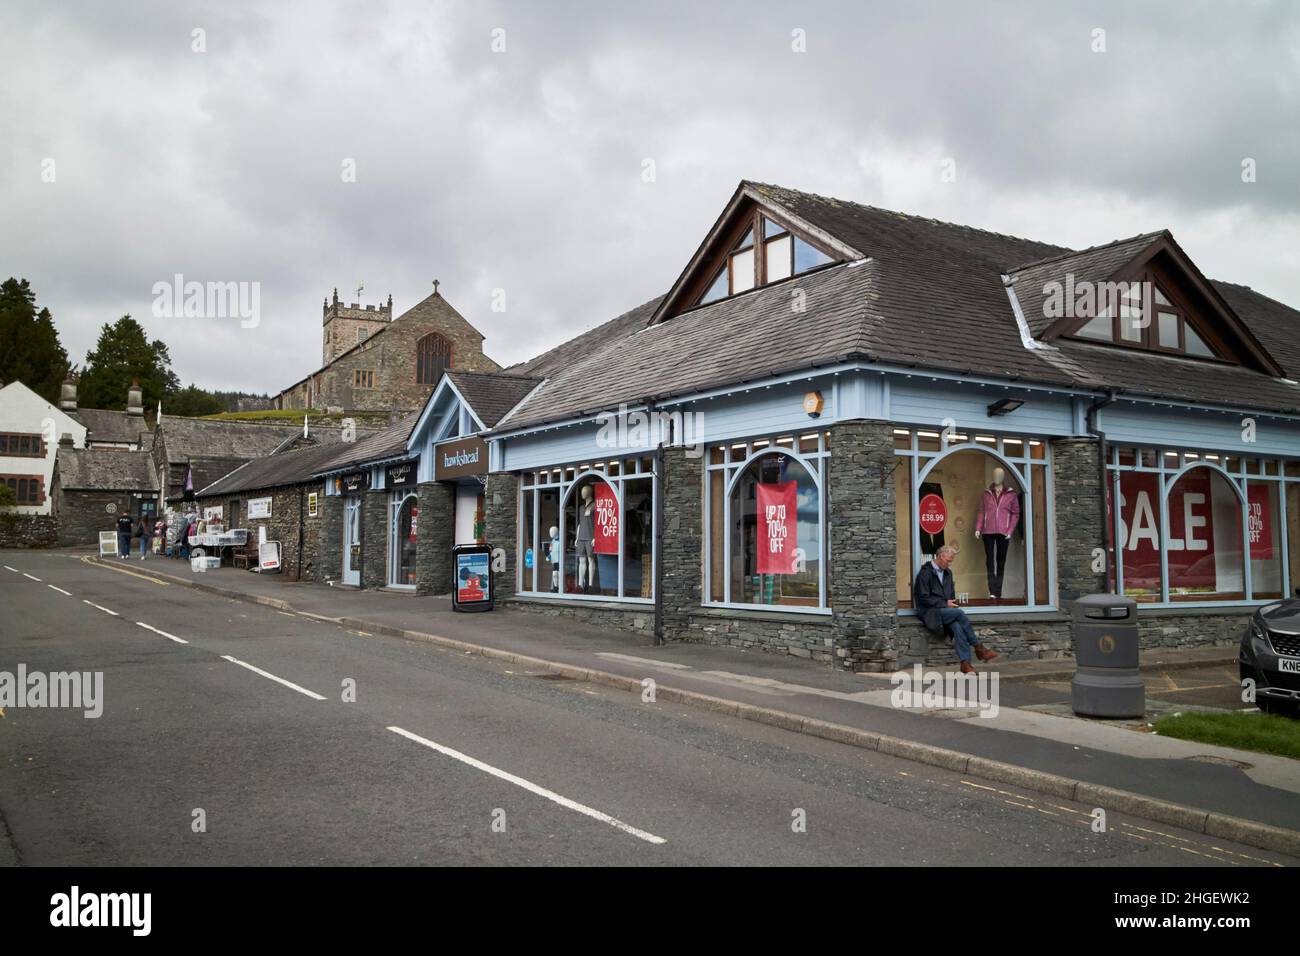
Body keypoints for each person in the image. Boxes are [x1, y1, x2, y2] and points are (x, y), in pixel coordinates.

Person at [914, 544, 998, 673]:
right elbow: (923, 598)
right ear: (941, 556)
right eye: (948, 561)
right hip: (929, 612)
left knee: (957, 627)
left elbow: (951, 596)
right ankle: (978, 648)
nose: (949, 564)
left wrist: (948, 604)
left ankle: (965, 664)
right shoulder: (925, 573)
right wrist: (944, 603)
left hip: (944, 611)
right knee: (959, 613)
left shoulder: (948, 573)